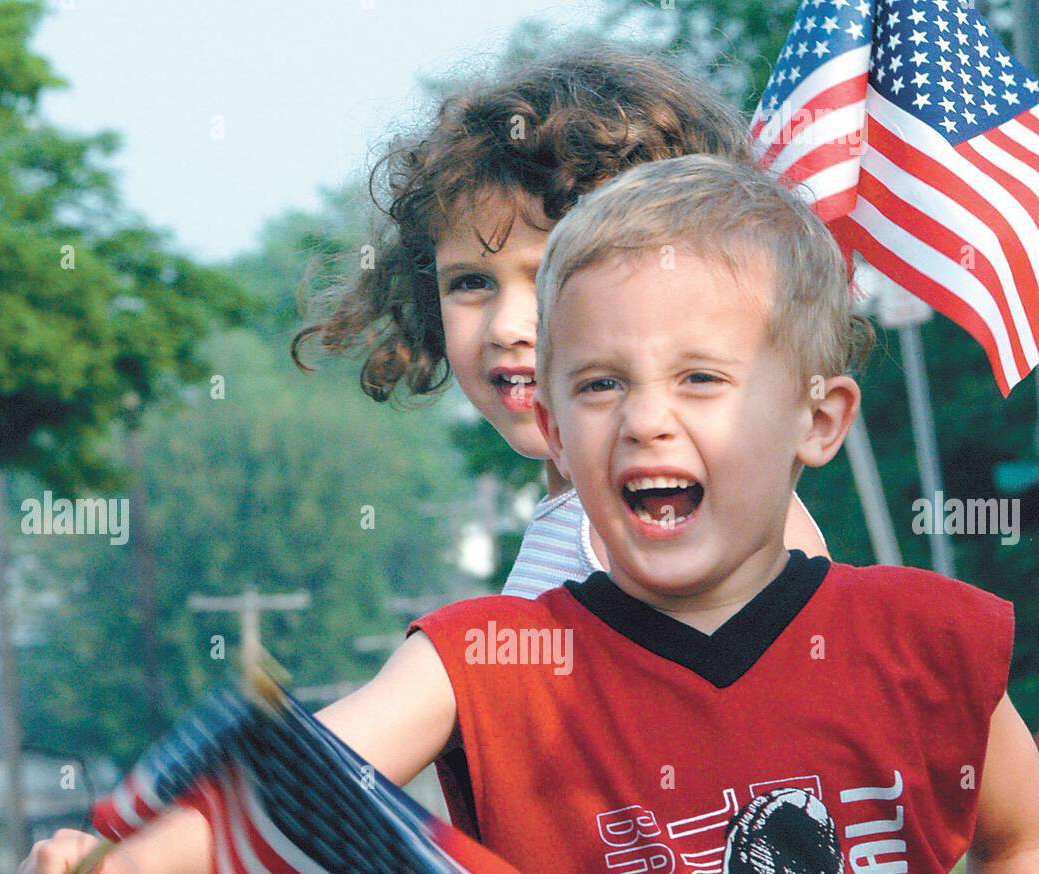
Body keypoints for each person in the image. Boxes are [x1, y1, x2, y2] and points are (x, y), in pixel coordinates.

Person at [9, 155, 1039, 874]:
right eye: (600, 385)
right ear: (548, 417)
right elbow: (309, 771)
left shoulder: (916, 640)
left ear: (817, 417)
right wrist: (126, 869)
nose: (645, 420)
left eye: (702, 379)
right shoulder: (495, 656)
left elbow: (1018, 835)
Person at [289, 41, 830, 597]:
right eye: (471, 282)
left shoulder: (676, 522)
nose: (506, 327)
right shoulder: (591, 516)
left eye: (551, 278)